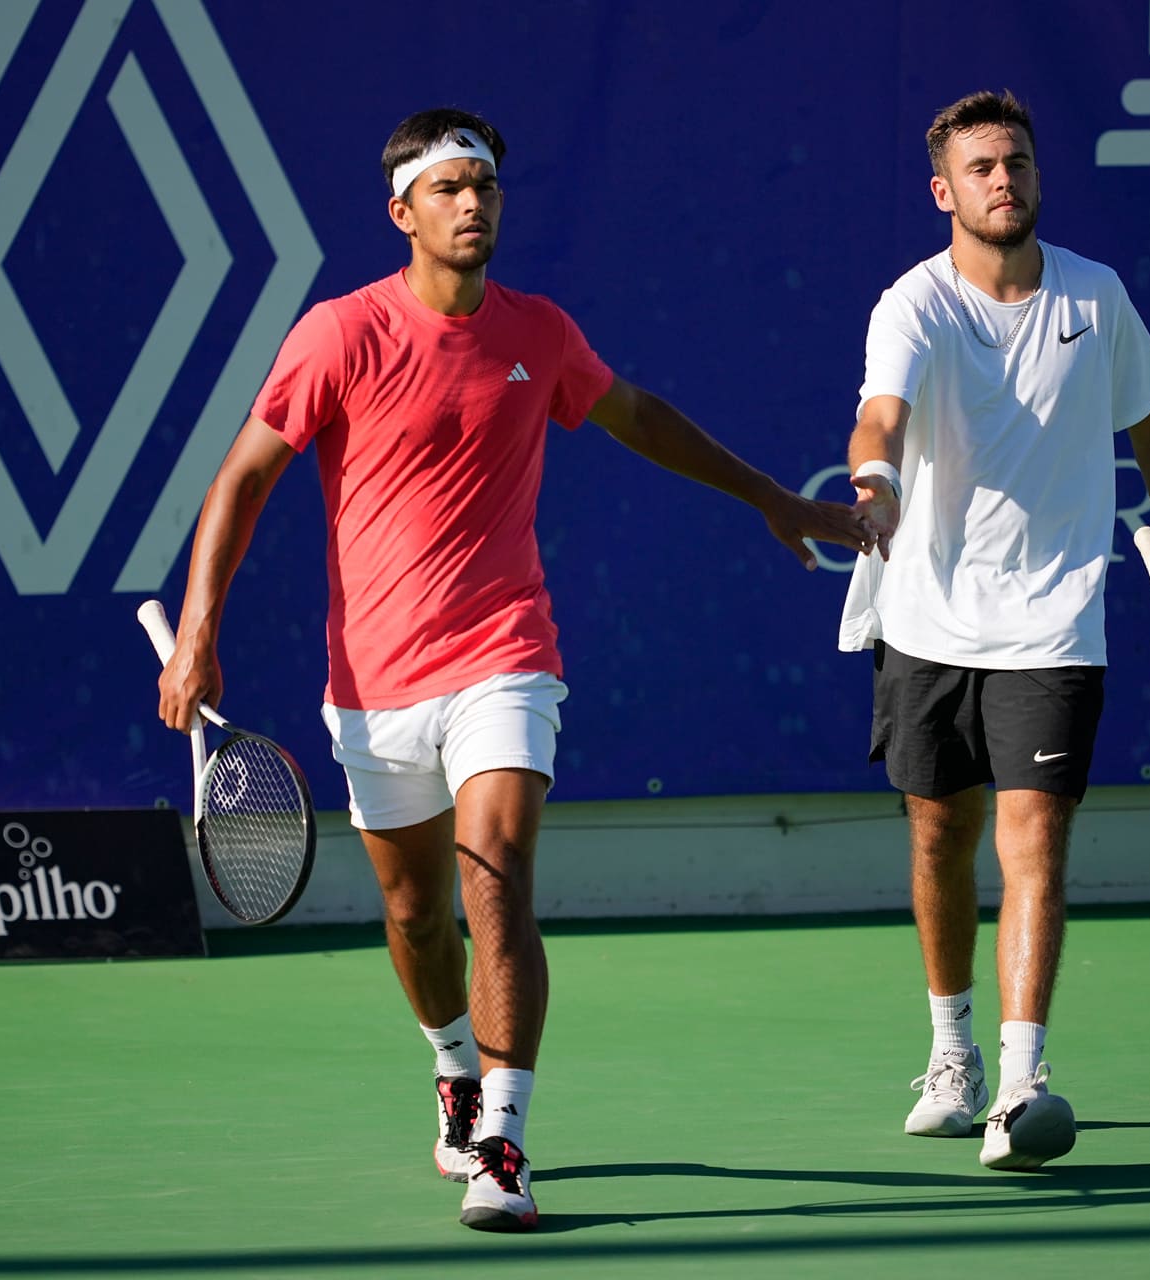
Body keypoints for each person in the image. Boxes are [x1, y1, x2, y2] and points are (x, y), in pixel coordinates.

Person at [156, 107, 873, 1232]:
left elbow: (640, 418)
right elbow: (243, 478)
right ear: (402, 213)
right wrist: (201, 624)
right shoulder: (337, 335)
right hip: (374, 683)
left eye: (484, 184)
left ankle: (503, 1138)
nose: (472, 203)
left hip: (505, 655)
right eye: (447, 187)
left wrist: (774, 497)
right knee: (413, 914)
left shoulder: (539, 331)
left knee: (494, 878)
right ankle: (452, 1069)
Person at [838, 90, 1150, 1171]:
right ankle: (951, 1048)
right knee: (937, 836)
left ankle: (1020, 1081)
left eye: (1015, 162)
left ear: (1036, 176)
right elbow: (883, 414)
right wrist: (873, 482)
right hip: (926, 616)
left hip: (1056, 621)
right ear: (944, 192)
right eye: (980, 167)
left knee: (1035, 842)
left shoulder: (1096, 299)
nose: (1002, 179)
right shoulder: (912, 303)